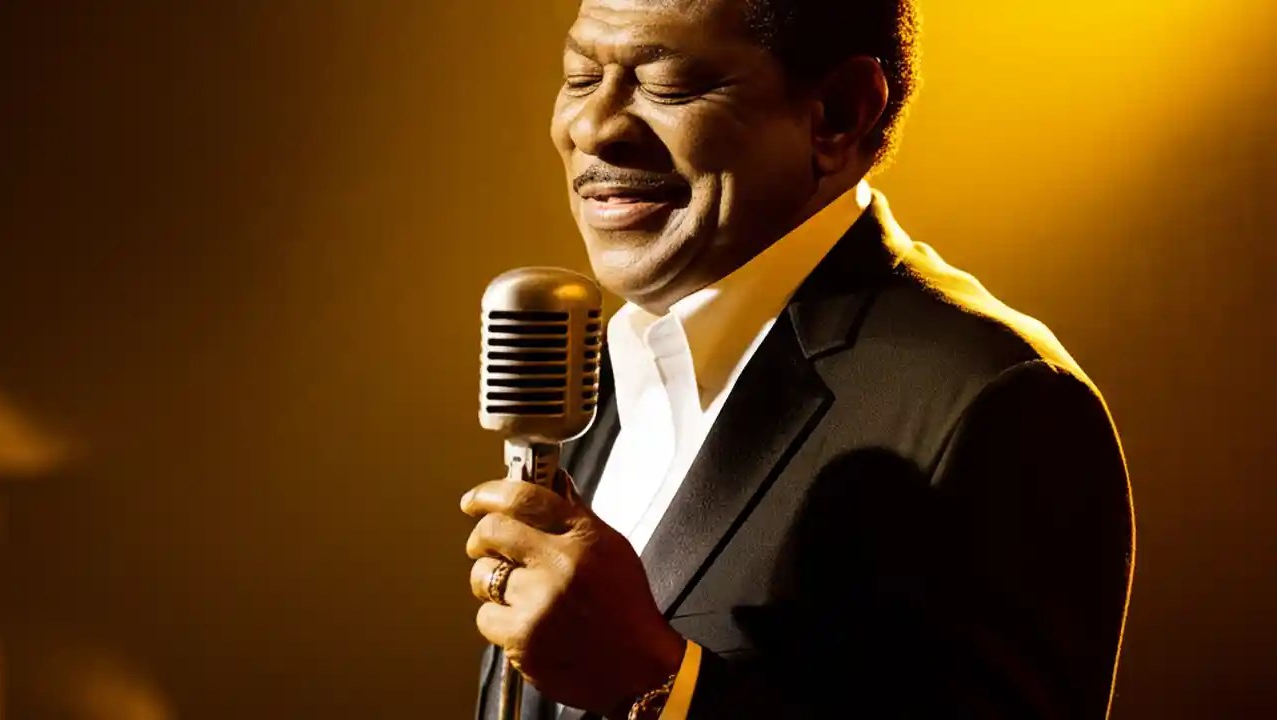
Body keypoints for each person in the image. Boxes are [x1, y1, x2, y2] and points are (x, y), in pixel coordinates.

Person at [461, 0, 1134, 717]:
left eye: (668, 85)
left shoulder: (1001, 403)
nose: (592, 127)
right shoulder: (599, 376)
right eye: (581, 75)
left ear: (839, 115)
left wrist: (661, 687)